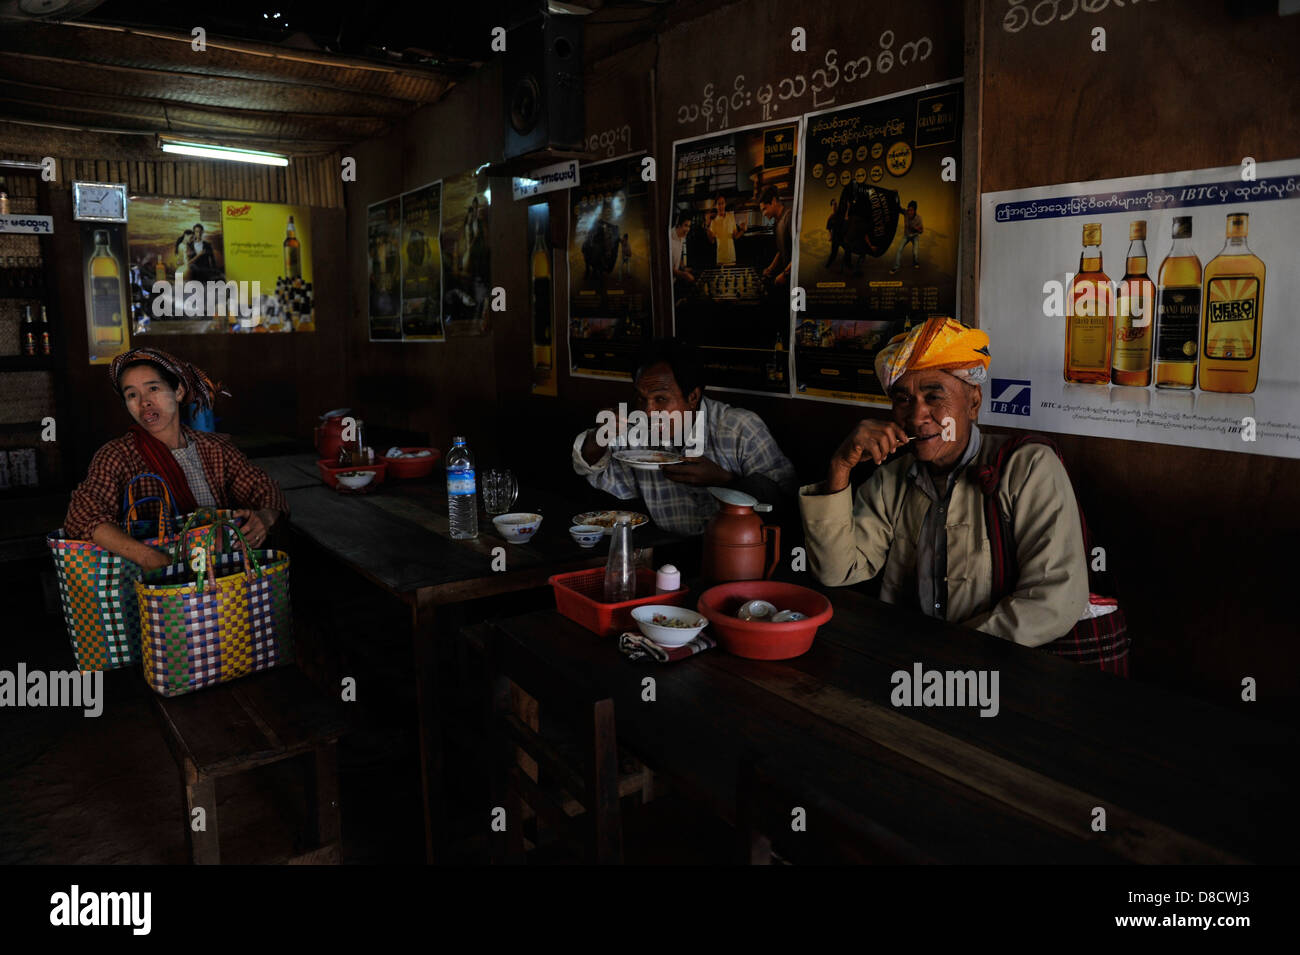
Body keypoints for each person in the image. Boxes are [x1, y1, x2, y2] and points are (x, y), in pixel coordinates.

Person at [798, 318, 1089, 647]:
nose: (916, 416)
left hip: (1000, 671)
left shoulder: (1026, 468)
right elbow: (837, 572)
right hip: (911, 668)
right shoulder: (892, 479)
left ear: (973, 403)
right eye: (903, 399)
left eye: (934, 397)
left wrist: (949, 651)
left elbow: (1054, 601)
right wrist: (840, 466)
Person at [63, 348, 288, 571]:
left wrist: (265, 518)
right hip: (157, 592)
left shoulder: (215, 449)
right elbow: (82, 515)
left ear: (178, 392)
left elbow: (265, 489)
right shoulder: (117, 456)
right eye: (132, 394)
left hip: (223, 583)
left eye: (153, 388)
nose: (144, 402)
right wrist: (150, 558)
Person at [573, 339, 797, 536]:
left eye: (661, 399)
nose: (648, 412)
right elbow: (591, 467)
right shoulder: (637, 429)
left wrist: (726, 481)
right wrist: (598, 436)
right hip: (669, 548)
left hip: (737, 550)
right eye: (641, 399)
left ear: (692, 396)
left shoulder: (739, 428)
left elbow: (787, 501)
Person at [759, 186, 792, 287]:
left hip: (796, 279)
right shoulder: (777, 223)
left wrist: (785, 275)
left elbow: (800, 252)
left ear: (773, 201)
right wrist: (770, 269)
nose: (764, 214)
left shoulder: (789, 217)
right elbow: (781, 251)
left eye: (764, 209)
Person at [706, 194, 743, 267]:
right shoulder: (713, 221)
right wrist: (707, 227)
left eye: (722, 203)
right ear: (716, 206)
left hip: (732, 257)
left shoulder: (731, 216)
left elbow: (735, 236)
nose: (721, 206)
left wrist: (742, 230)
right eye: (719, 204)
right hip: (720, 259)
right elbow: (712, 240)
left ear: (725, 204)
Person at [890, 201, 923, 274]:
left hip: (915, 236)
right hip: (906, 236)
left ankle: (915, 262)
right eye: (908, 210)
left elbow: (921, 231)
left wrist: (917, 229)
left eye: (911, 210)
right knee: (899, 250)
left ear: (915, 210)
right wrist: (895, 196)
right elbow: (898, 208)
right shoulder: (905, 213)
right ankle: (896, 267)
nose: (909, 212)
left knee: (915, 252)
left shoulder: (918, 218)